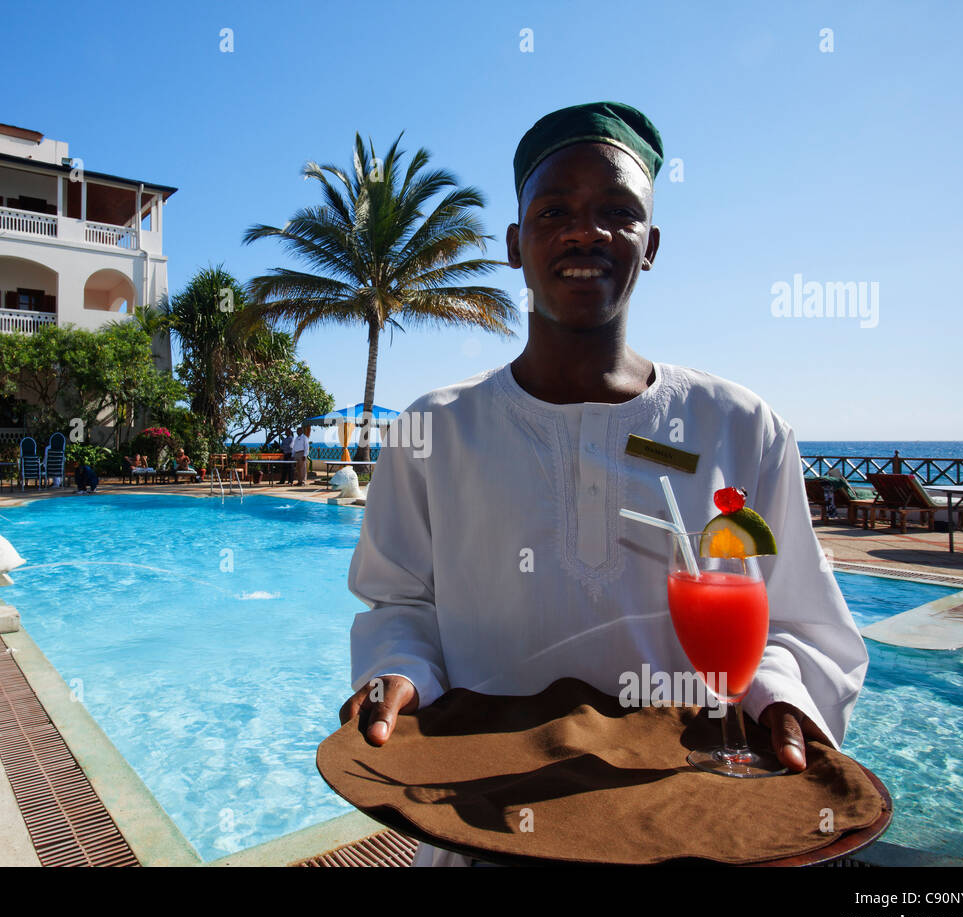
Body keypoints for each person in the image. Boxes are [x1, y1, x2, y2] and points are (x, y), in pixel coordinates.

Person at [340, 102, 868, 866]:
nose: (586, 231)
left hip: (688, 824)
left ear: (649, 246)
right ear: (517, 246)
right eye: (555, 210)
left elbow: (800, 622)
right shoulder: (433, 430)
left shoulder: (742, 426)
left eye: (618, 212)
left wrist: (781, 694)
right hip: (481, 823)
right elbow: (400, 603)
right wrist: (400, 670)